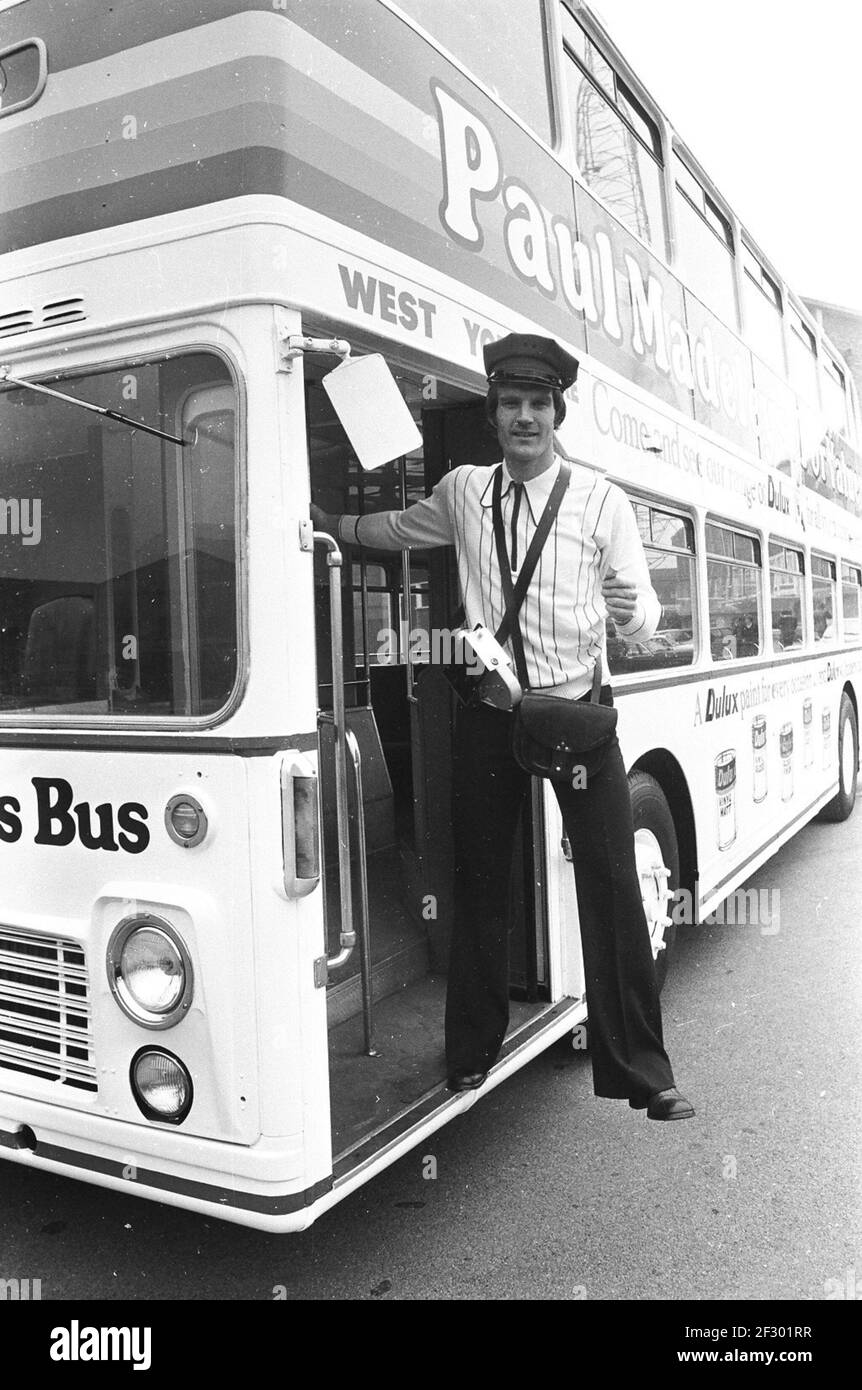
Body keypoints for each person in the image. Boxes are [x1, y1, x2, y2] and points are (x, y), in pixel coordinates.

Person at [311, 333, 694, 1121]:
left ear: (558, 415)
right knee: (479, 884)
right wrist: (332, 526)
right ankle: (470, 1054)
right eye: (511, 404)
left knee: (614, 886)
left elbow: (645, 608)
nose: (525, 418)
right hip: (493, 716)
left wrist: (635, 614)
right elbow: (400, 529)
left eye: (538, 405)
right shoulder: (462, 491)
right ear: (493, 415)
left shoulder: (600, 501)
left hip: (580, 718)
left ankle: (643, 1071)